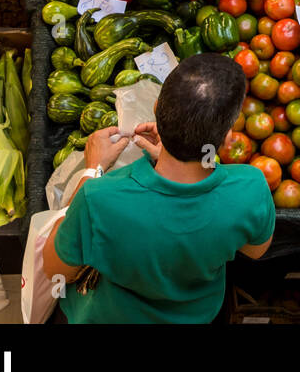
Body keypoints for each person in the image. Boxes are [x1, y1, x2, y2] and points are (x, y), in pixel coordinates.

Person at [41, 54, 276, 323]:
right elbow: (255, 250)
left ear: (156, 108)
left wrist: (92, 170)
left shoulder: (98, 197)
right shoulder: (251, 188)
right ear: (227, 137)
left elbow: (55, 269)